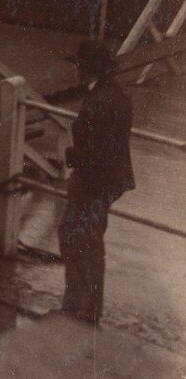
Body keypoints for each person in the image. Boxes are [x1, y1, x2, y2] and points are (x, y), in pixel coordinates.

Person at [59, 38, 135, 324]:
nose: (75, 70)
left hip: (94, 180)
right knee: (82, 236)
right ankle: (82, 304)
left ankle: (83, 306)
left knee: (79, 238)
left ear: (86, 69)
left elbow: (97, 150)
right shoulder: (114, 94)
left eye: (78, 65)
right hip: (107, 178)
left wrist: (72, 155)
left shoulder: (100, 100)